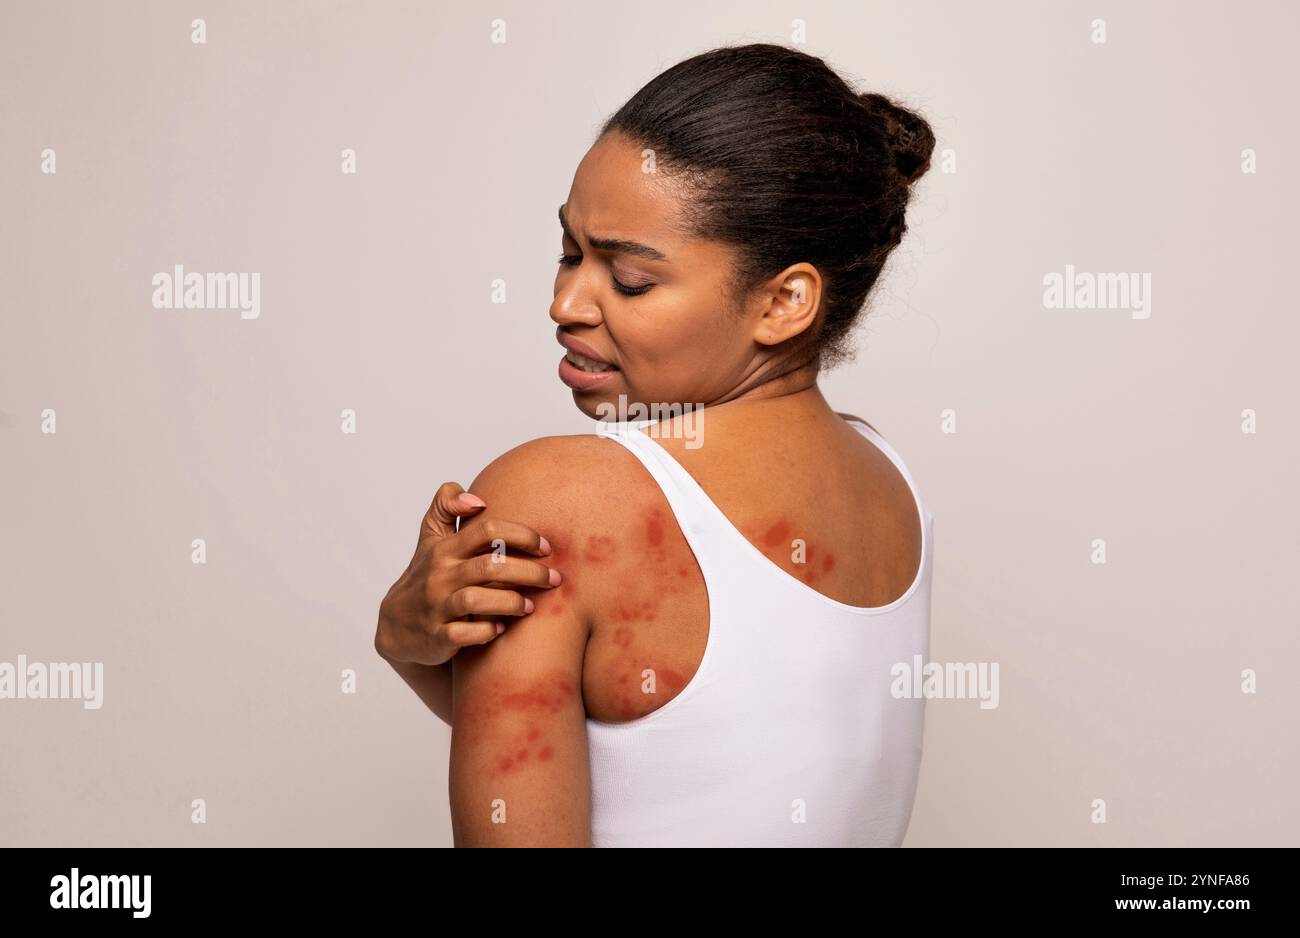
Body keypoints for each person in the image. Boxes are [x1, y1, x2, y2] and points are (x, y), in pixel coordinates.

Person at [376, 42, 935, 847]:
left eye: (629, 279)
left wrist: (399, 642)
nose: (565, 302)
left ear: (784, 303)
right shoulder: (891, 481)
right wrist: (414, 649)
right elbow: (709, 751)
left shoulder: (562, 495)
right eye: (570, 252)